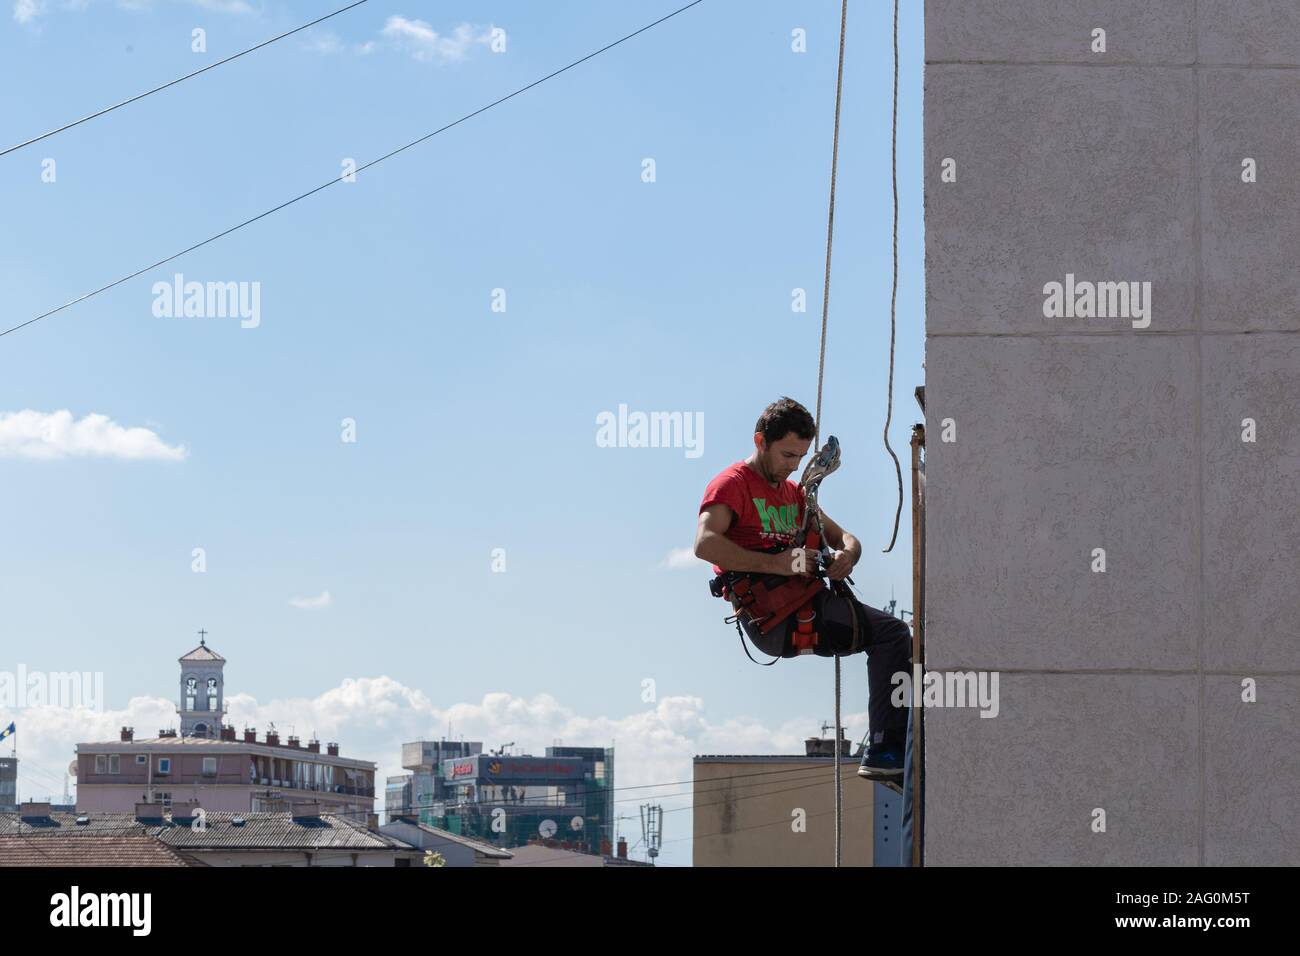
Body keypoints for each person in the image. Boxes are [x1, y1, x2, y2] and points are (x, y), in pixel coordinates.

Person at [693, 396, 910, 779]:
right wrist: (776, 563)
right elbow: (705, 543)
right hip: (774, 616)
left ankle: (895, 744)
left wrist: (848, 556)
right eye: (787, 455)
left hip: (807, 602)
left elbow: (847, 537)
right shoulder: (732, 485)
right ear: (761, 442)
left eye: (800, 457)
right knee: (893, 634)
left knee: (895, 637)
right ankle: (885, 749)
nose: (792, 466)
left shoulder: (795, 494)